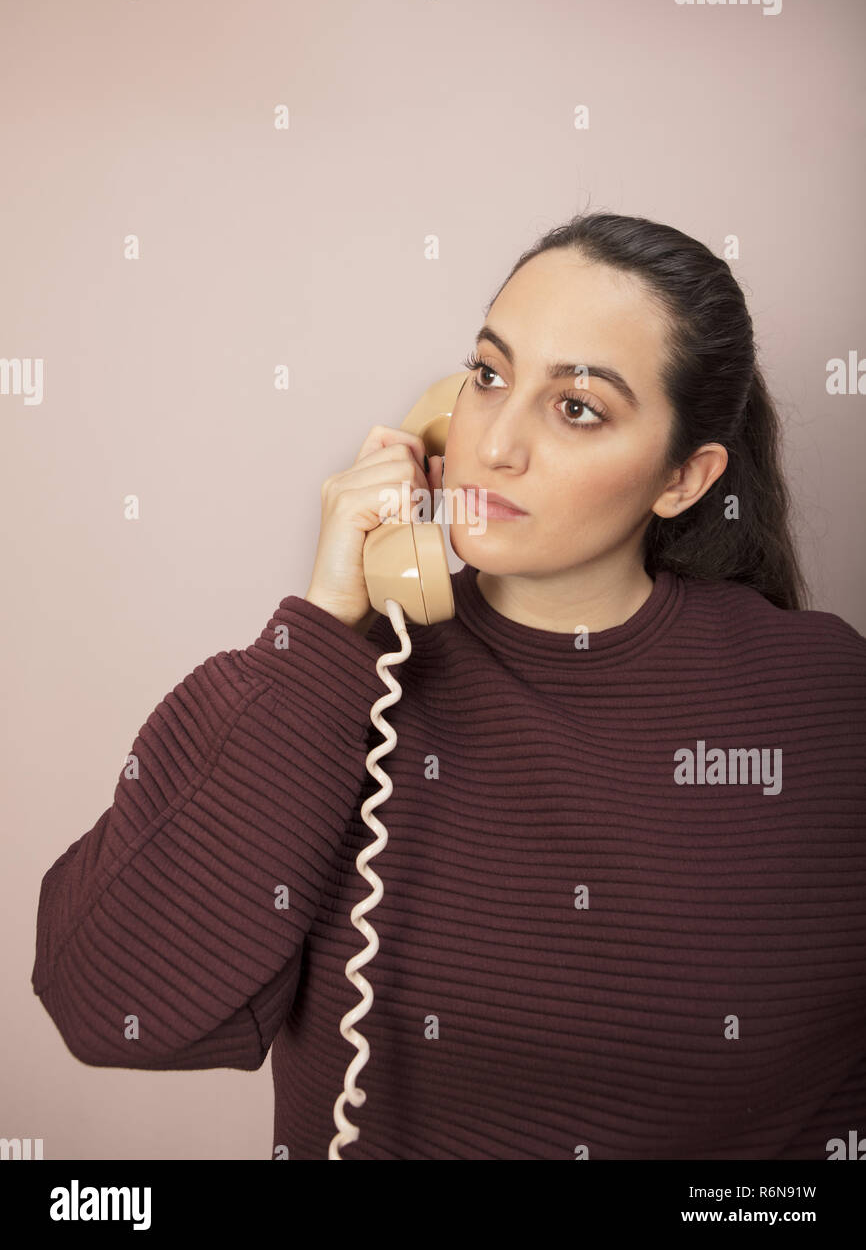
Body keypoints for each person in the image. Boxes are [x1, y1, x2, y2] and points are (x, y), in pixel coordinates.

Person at [32, 212, 866, 1160]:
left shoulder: (826, 698)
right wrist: (326, 629)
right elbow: (109, 1008)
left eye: (577, 406)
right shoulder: (350, 685)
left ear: (683, 478)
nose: (494, 446)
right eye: (488, 375)